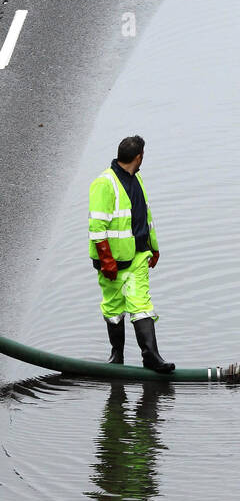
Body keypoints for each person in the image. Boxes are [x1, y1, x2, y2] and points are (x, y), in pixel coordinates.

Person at [88, 135, 174, 374]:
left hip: (137, 256)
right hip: (112, 262)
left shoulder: (137, 180)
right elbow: (97, 228)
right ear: (139, 157)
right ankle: (117, 357)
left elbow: (145, 217)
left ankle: (152, 357)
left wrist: (153, 248)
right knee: (114, 309)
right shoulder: (104, 183)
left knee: (141, 305)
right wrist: (106, 260)